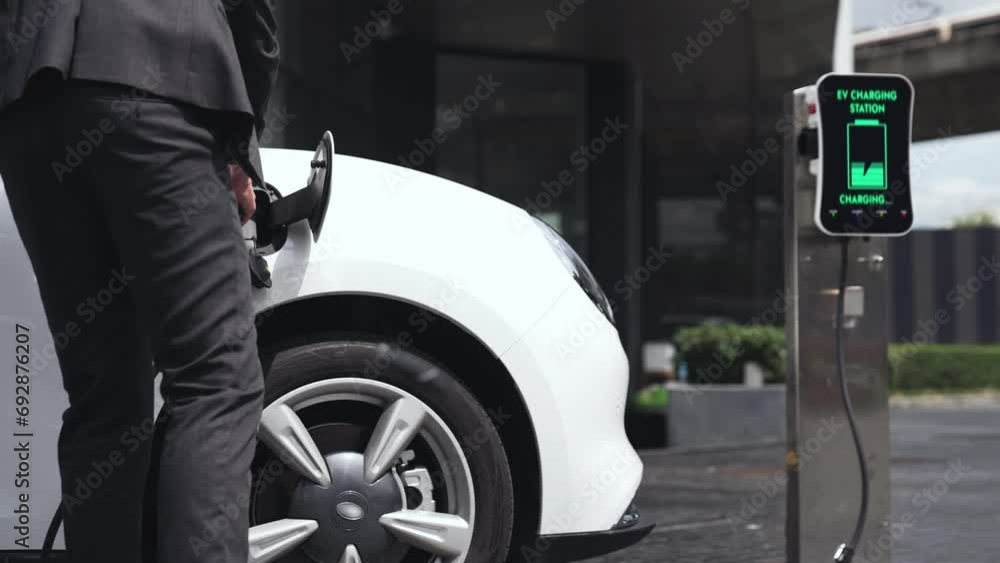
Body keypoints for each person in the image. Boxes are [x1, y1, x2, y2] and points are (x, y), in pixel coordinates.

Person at [0, 1, 279, 561]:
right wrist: (238, 149)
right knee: (215, 380)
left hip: (29, 103)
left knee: (106, 397)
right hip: (159, 73)